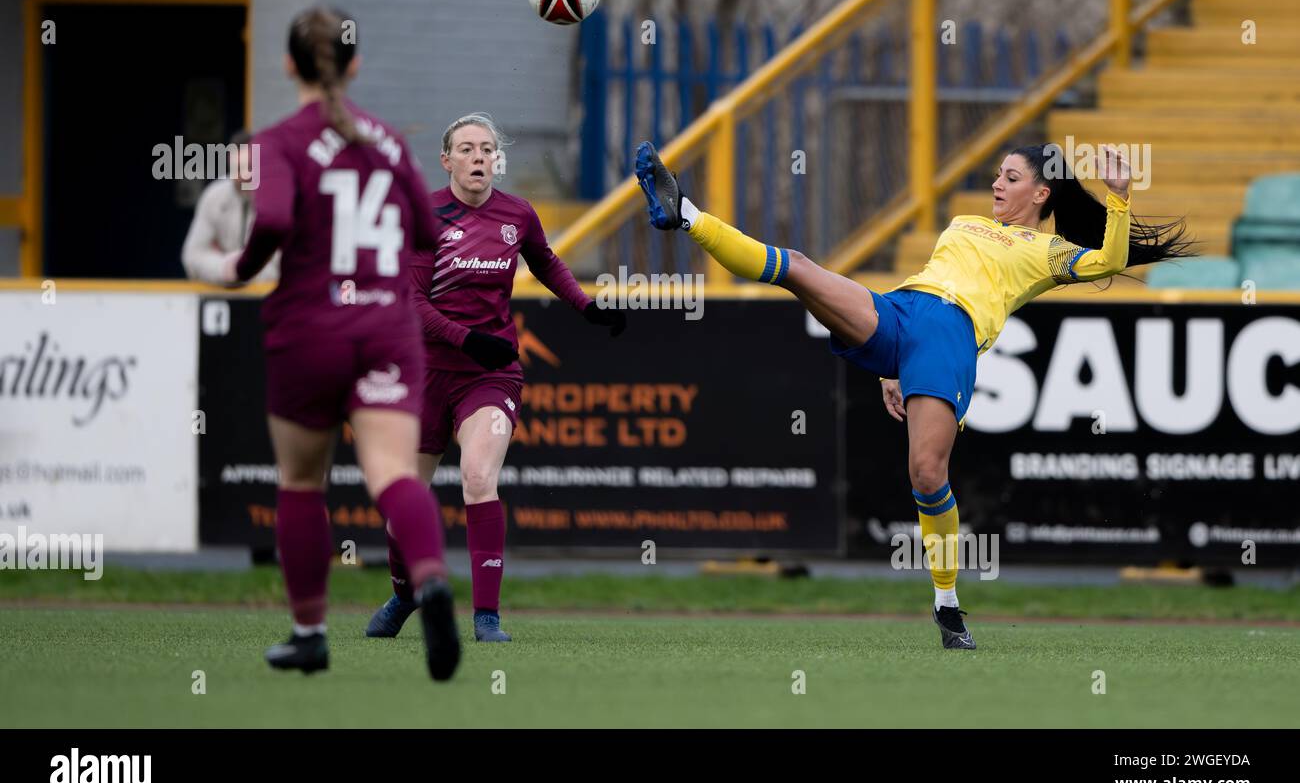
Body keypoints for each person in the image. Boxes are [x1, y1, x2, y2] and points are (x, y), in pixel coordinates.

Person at [634, 140, 1193, 649]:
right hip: (901, 310)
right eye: (998, 174)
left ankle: (947, 605)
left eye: (1012, 177)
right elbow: (930, 280)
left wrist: (1118, 200)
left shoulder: (1046, 252)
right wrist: (889, 367)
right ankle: (684, 214)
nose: (998, 183)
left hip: (949, 335)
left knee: (927, 474)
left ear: (1041, 192)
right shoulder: (963, 224)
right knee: (798, 267)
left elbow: (1109, 262)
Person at [224, 5, 459, 680]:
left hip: (310, 325)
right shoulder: (386, 140)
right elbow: (429, 231)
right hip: (387, 327)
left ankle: (309, 634)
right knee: (390, 474)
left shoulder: (278, 141)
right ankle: (433, 582)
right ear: (354, 65)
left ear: (288, 64)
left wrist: (239, 270)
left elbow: (269, 217)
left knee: (301, 481)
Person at [365, 112, 626, 643]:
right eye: (466, 149)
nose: (479, 157)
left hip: (490, 374)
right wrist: (464, 338)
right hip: (426, 373)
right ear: (447, 161)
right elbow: (412, 302)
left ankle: (487, 618)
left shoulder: (518, 214)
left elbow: (547, 263)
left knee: (479, 477)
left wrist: (586, 307)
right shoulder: (425, 214)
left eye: (486, 149)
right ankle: (403, 594)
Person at [181, 130, 280, 284]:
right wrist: (226, 268)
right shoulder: (214, 196)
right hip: (223, 295)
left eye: (250, 166)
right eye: (239, 167)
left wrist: (242, 270)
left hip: (268, 297)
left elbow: (284, 264)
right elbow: (192, 257)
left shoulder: (279, 198)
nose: (245, 174)